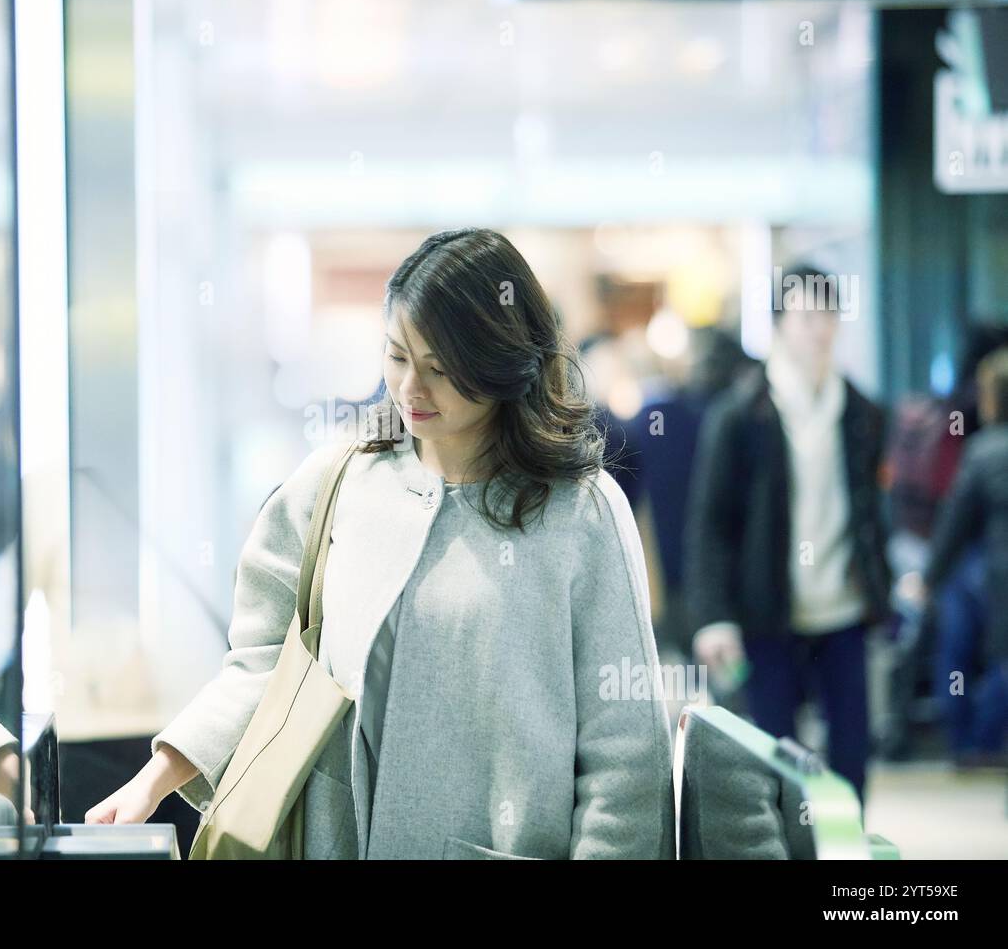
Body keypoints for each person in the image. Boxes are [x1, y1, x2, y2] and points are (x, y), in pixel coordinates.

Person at [86, 228, 675, 859]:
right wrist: (154, 780)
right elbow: (261, 664)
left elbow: (625, 758)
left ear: (502, 365)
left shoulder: (579, 513)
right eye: (397, 358)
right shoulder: (338, 483)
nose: (410, 390)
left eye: (440, 370)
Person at [685, 264, 890, 806]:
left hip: (842, 610)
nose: (818, 327)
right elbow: (710, 522)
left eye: (827, 314)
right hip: (766, 612)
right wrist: (712, 615)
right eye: (804, 316)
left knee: (852, 753)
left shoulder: (862, 412)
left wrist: (883, 588)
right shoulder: (741, 413)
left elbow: (871, 513)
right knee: (773, 756)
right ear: (779, 324)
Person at [913, 346, 1008, 764]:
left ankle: (973, 744)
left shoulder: (985, 451)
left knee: (978, 661)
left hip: (997, 581)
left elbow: (954, 525)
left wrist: (927, 579)